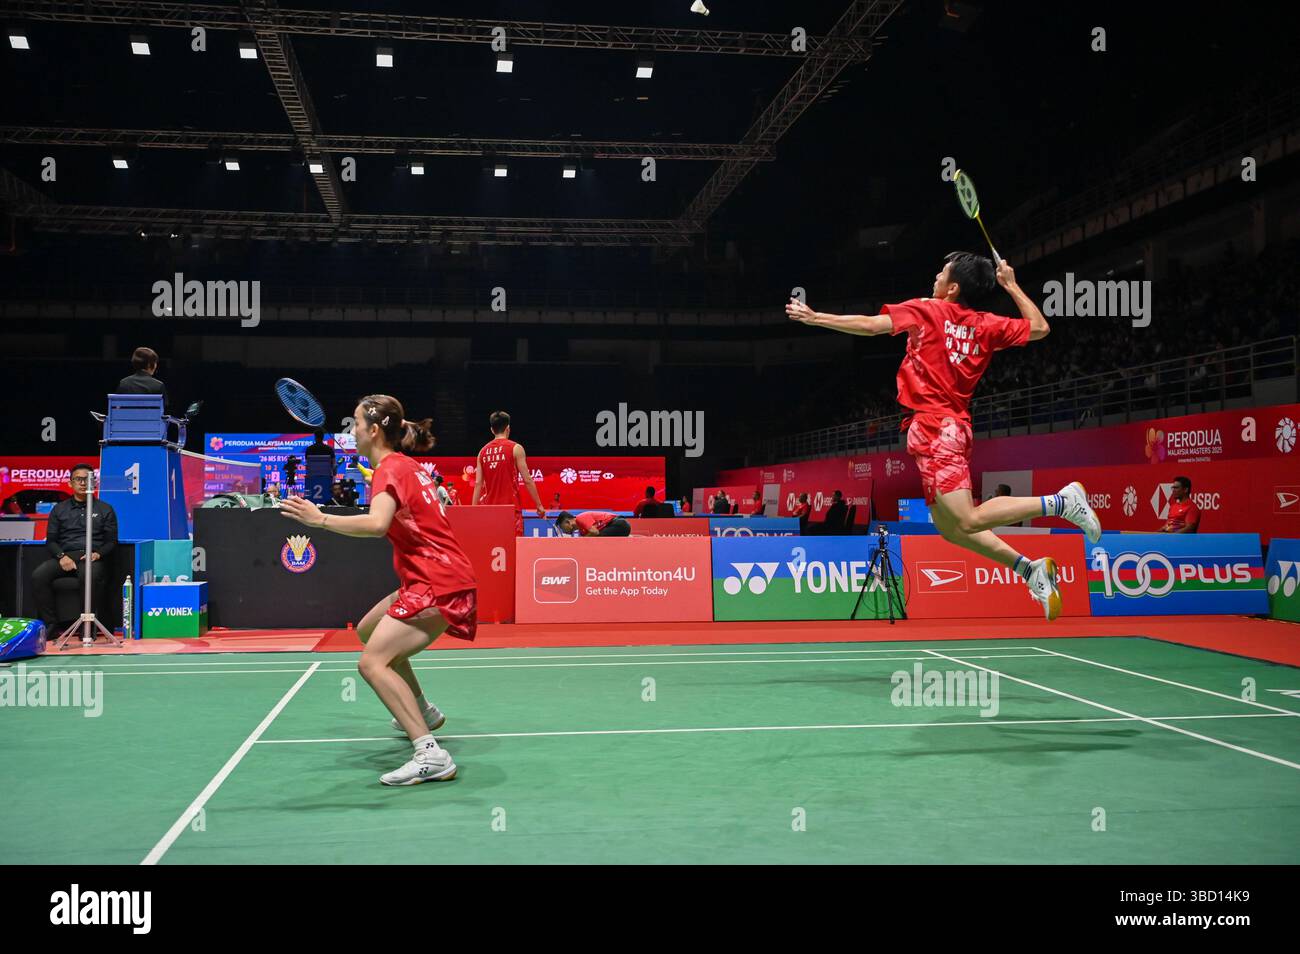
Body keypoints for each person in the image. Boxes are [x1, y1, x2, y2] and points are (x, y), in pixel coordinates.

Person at [787, 252, 1100, 620]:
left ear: (952, 288)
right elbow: (1039, 327)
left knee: (965, 520)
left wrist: (816, 317)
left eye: (941, 272)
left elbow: (872, 326)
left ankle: (1061, 503)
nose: (934, 276)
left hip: (937, 428)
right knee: (949, 530)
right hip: (947, 428)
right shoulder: (985, 324)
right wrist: (1012, 285)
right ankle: (1029, 569)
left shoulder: (927, 309)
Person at [281, 395, 476, 787]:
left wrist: (320, 519)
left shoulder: (391, 468)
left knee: (371, 663)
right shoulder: (403, 465)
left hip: (436, 582)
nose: (351, 430)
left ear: (373, 431)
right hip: (435, 576)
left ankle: (429, 752)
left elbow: (376, 524)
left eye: (354, 423)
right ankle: (423, 710)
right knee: (369, 629)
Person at [31, 463, 118, 630]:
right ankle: (50, 625)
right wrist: (61, 557)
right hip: (66, 556)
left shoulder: (105, 509)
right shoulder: (59, 509)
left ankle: (87, 627)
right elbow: (51, 541)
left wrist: (98, 554)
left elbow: (111, 542)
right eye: (79, 479)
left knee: (89, 575)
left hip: (92, 557)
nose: (83, 483)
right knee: (38, 575)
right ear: (70, 483)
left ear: (95, 483)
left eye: (87, 479)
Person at [472, 411, 547, 534]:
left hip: (489, 511)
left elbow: (478, 483)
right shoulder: (516, 448)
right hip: (511, 511)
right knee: (513, 549)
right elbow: (527, 479)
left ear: (492, 430)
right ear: (508, 428)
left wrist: (473, 510)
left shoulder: (482, 452)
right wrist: (539, 505)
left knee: (491, 547)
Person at [555, 510, 631, 537]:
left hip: (619, 524)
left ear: (567, 522)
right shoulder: (583, 531)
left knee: (596, 538)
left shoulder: (580, 518)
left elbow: (595, 532)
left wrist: (581, 541)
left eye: (562, 527)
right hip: (617, 528)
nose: (563, 531)